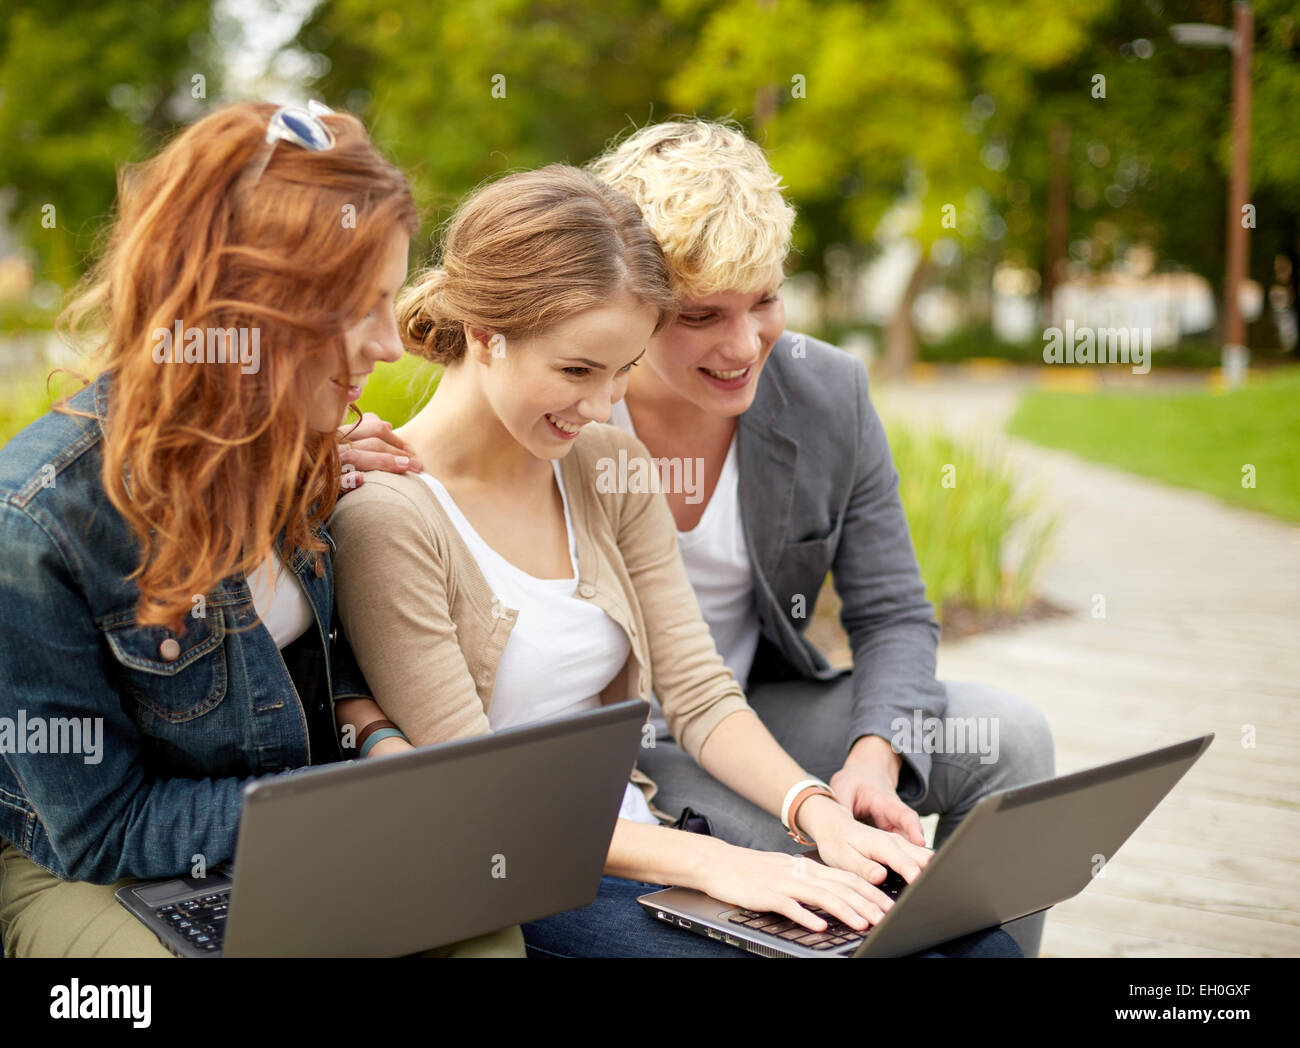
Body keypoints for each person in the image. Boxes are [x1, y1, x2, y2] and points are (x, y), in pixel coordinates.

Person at [328, 164, 1021, 957]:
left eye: (622, 371)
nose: (598, 406)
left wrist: (817, 814)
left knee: (977, 948)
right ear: (486, 338)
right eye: (577, 370)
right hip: (522, 874)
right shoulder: (389, 512)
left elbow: (696, 689)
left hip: (637, 836)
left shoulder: (605, 463)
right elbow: (479, 794)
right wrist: (722, 864)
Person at [0, 101, 519, 957]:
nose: (390, 345)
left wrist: (378, 742)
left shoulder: (288, 443)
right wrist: (339, 803)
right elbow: (98, 830)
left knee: (482, 928)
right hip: (98, 875)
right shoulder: (36, 526)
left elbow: (314, 652)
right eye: (362, 306)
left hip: (294, 826)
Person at [586, 119, 1056, 957]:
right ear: (631, 301)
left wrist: (875, 758)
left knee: (1012, 738)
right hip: (624, 754)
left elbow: (894, 612)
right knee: (826, 882)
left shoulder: (824, 390)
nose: (743, 346)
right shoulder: (571, 405)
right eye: (701, 316)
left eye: (764, 300)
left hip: (750, 715)